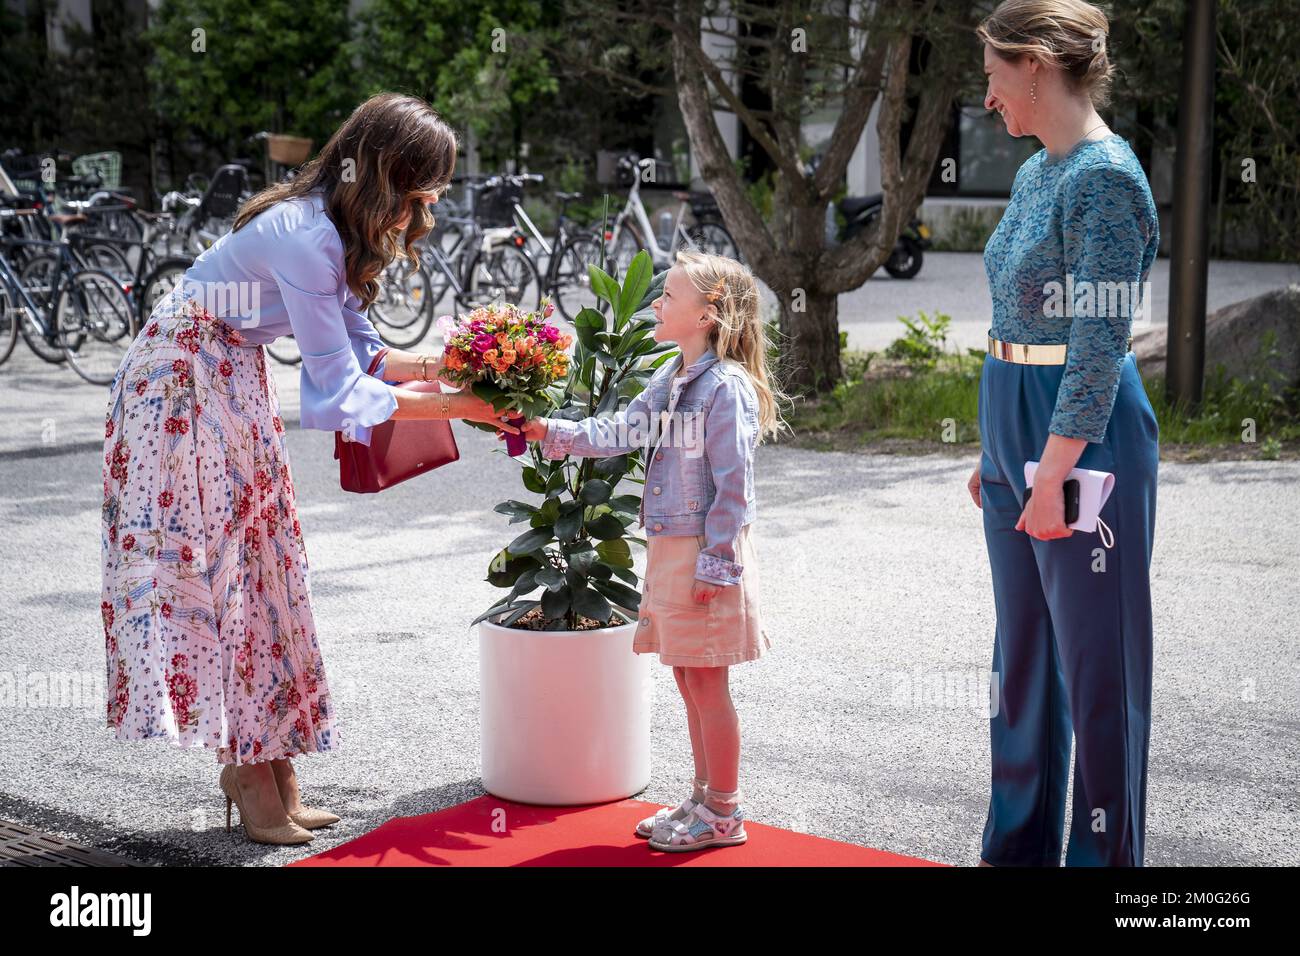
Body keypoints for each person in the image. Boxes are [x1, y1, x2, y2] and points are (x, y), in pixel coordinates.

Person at [100, 92, 518, 846]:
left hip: (223, 371)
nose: (419, 214)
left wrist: (473, 365)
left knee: (265, 566)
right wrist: (463, 407)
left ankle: (271, 762)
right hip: (179, 381)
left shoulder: (328, 226)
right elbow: (338, 396)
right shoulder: (304, 235)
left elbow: (365, 356)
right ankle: (251, 772)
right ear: (384, 178)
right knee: (226, 573)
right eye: (417, 194)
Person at [971, 0, 1160, 866]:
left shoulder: (1105, 177)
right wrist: (996, 455)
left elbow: (1097, 344)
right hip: (1016, 422)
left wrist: (1050, 469)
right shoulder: (1037, 170)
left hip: (1079, 434)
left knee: (1098, 676)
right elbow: (1016, 316)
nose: (987, 98)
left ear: (1037, 63)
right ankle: (1015, 852)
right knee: (1024, 668)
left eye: (993, 75)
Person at [519, 250, 788, 851]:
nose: (656, 303)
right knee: (690, 678)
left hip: (703, 554)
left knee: (708, 683)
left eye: (668, 296)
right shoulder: (672, 373)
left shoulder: (727, 389)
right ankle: (704, 796)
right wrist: (551, 431)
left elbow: (735, 486)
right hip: (675, 547)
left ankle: (724, 810)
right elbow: (623, 430)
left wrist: (717, 565)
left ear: (709, 315)